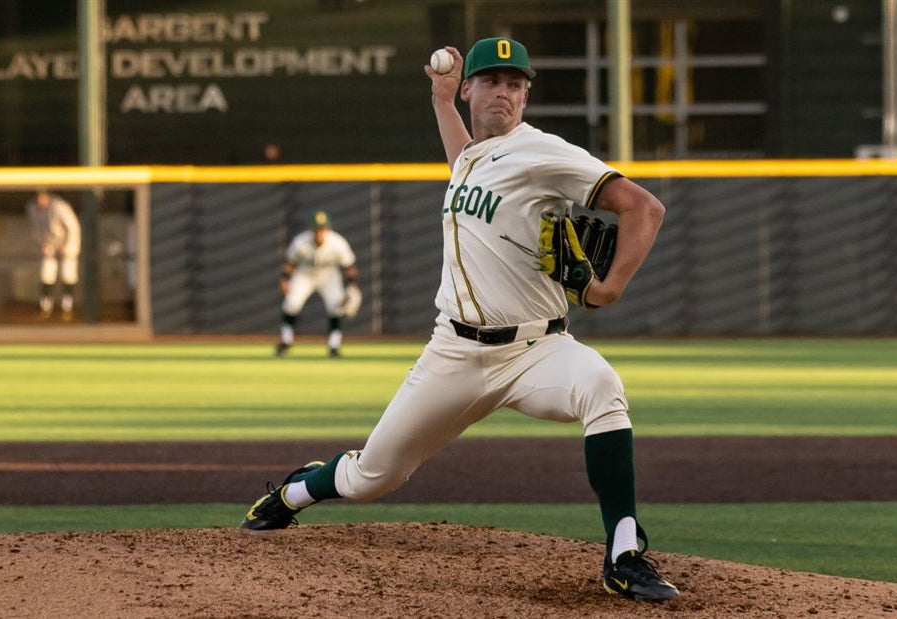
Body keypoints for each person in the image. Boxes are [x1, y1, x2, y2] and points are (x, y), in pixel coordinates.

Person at [242, 38, 678, 602]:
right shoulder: (473, 157)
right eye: (493, 80)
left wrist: (607, 289)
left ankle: (623, 553)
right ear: (471, 87)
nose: (506, 92)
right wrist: (441, 102)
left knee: (603, 387)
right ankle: (298, 491)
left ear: (526, 95)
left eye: (516, 83)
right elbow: (465, 165)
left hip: (537, 351)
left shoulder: (544, 152)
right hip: (454, 354)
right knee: (372, 478)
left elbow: (645, 207)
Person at [276, 211, 359, 358]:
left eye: (323, 229)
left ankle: (334, 345)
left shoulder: (337, 243)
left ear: (328, 229)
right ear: (311, 230)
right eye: (317, 229)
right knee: (292, 303)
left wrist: (352, 285)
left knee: (336, 305)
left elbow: (349, 265)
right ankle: (286, 340)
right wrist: (285, 279)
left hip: (329, 274)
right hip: (305, 273)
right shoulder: (300, 242)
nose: (320, 233)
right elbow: (290, 263)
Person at [25, 190, 81, 321]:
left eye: (43, 197)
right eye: (39, 198)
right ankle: (45, 307)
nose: (41, 201)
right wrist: (42, 245)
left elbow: (73, 228)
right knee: (46, 274)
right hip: (49, 244)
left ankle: (67, 308)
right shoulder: (32, 208)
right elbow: (34, 230)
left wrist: (69, 247)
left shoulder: (59, 206)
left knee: (68, 275)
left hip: (68, 243)